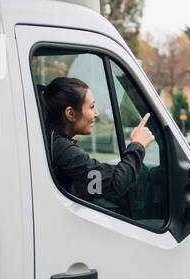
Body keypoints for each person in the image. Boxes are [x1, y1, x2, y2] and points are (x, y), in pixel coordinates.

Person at [39, 76, 155, 204]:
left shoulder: (52, 139)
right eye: (91, 107)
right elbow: (116, 183)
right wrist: (137, 145)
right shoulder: (61, 148)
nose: (97, 113)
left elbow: (92, 182)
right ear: (70, 114)